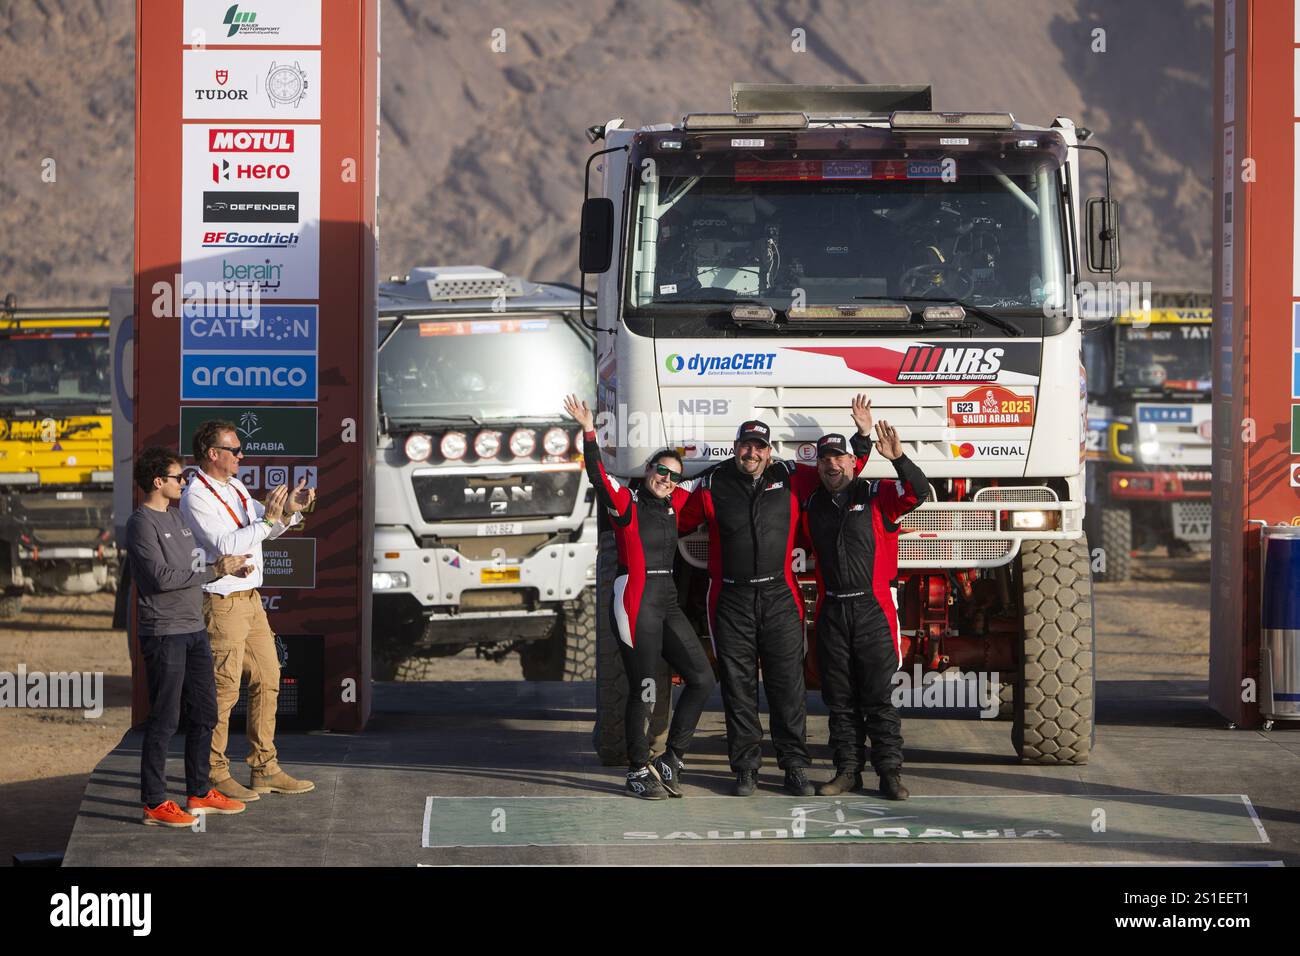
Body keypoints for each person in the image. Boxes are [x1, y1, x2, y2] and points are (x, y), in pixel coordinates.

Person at [677, 397, 874, 796]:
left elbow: (839, 475)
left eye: (759, 447)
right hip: (730, 600)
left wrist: (864, 438)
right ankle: (746, 768)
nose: (751, 452)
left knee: (787, 686)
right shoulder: (712, 483)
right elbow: (673, 518)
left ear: (769, 452)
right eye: (745, 445)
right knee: (738, 686)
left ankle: (794, 767)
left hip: (779, 596)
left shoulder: (791, 476)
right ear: (736, 448)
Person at [566, 395, 715, 799]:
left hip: (665, 600)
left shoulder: (675, 502)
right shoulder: (627, 502)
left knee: (702, 679)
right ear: (648, 470)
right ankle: (636, 770)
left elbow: (712, 479)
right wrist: (588, 430)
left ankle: (671, 760)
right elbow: (597, 473)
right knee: (645, 690)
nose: (666, 479)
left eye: (673, 476)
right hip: (633, 601)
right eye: (660, 471)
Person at [180, 420, 316, 801]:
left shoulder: (236, 486)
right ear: (213, 453)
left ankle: (264, 767)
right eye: (235, 449)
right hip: (222, 602)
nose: (242, 455)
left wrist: (289, 512)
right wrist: (269, 520)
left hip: (251, 599)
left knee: (269, 677)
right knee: (223, 691)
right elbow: (226, 543)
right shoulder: (196, 496)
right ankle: (213, 771)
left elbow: (266, 528)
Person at [127, 446, 253, 827]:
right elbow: (161, 579)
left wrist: (227, 570)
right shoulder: (141, 524)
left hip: (194, 628)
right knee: (165, 719)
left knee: (206, 713)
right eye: (177, 477)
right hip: (164, 633)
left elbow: (192, 566)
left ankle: (198, 792)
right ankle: (154, 803)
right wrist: (215, 570)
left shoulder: (178, 516)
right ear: (157, 482)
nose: (184, 482)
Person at [802, 422, 929, 800]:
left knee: (877, 697)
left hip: (872, 609)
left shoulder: (877, 494)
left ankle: (889, 774)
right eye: (825, 459)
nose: (831, 465)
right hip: (832, 611)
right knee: (839, 699)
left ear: (853, 462)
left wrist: (899, 459)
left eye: (839, 457)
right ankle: (847, 772)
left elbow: (918, 493)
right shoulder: (812, 504)